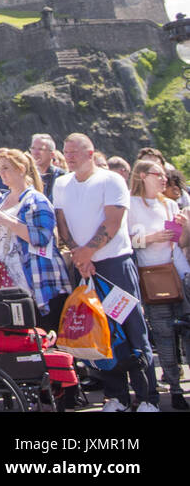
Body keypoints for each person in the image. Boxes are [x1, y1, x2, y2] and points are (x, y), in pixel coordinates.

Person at [54, 133, 156, 412]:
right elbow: (62, 225)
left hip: (114, 266)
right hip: (83, 269)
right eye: (66, 151)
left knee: (132, 328)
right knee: (99, 333)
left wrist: (87, 253)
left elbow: (113, 221)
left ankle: (148, 398)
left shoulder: (111, 180)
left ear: (90, 153)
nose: (69, 156)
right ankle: (117, 397)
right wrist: (79, 255)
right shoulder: (61, 183)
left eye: (75, 151)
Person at [0, 148, 72, 327]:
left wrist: (7, 220)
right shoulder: (2, 199)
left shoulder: (36, 200)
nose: (1, 173)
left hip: (34, 280)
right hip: (5, 279)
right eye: (0, 168)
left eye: (6, 168)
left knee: (43, 333)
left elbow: (42, 238)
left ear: (20, 169)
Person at [128, 158, 190, 411]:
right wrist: (151, 237)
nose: (164, 178)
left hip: (178, 274)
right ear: (143, 176)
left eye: (164, 175)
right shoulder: (131, 205)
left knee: (187, 332)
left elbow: (180, 243)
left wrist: (185, 228)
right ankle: (175, 390)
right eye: (158, 174)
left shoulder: (170, 204)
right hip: (152, 277)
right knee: (164, 336)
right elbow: (127, 241)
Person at [30, 134, 64, 202]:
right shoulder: (27, 176)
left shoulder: (61, 177)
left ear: (52, 155)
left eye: (40, 149)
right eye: (33, 148)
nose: (35, 153)